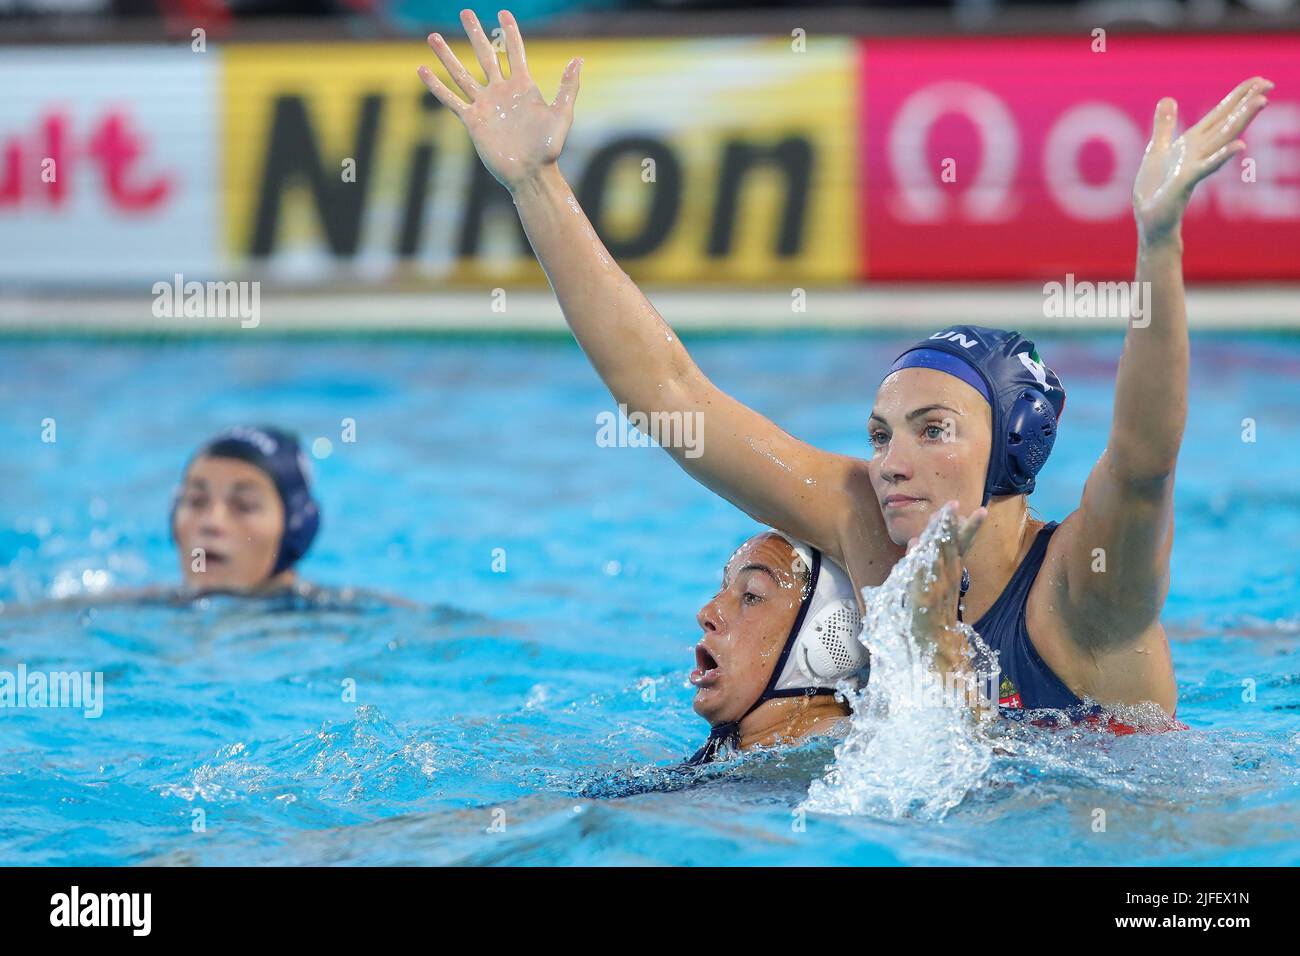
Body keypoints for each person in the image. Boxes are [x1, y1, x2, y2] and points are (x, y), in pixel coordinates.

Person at [417, 10, 1273, 719]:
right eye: (879, 433)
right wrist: (536, 184)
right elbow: (668, 393)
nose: (890, 463)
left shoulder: (1084, 591)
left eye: (932, 430)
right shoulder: (870, 529)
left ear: (1012, 447)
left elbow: (1146, 459)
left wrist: (1158, 246)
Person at [686, 530, 867, 765]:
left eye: (751, 596)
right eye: (720, 591)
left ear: (830, 637)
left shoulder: (843, 759)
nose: (706, 614)